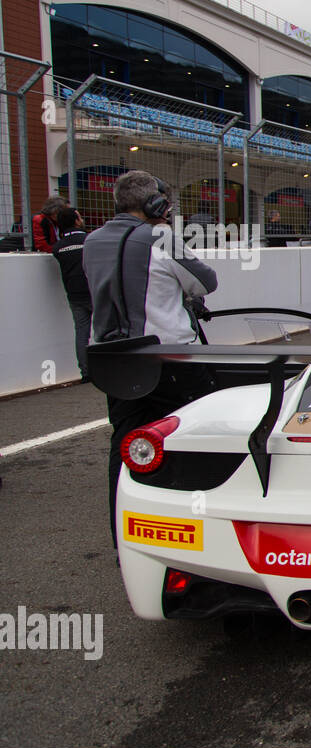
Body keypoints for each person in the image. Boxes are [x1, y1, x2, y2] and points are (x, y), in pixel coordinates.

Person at [83, 170, 219, 543]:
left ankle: (122, 537)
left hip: (114, 358)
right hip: (168, 359)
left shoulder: (92, 241)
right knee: (191, 435)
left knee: (124, 441)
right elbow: (207, 281)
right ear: (156, 204)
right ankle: (190, 532)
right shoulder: (161, 237)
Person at [50, 206, 92, 380]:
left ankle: (86, 373)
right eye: (79, 217)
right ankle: (110, 370)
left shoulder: (58, 247)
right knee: (107, 330)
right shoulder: (89, 240)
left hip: (74, 295)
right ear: (76, 220)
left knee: (81, 332)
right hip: (94, 290)